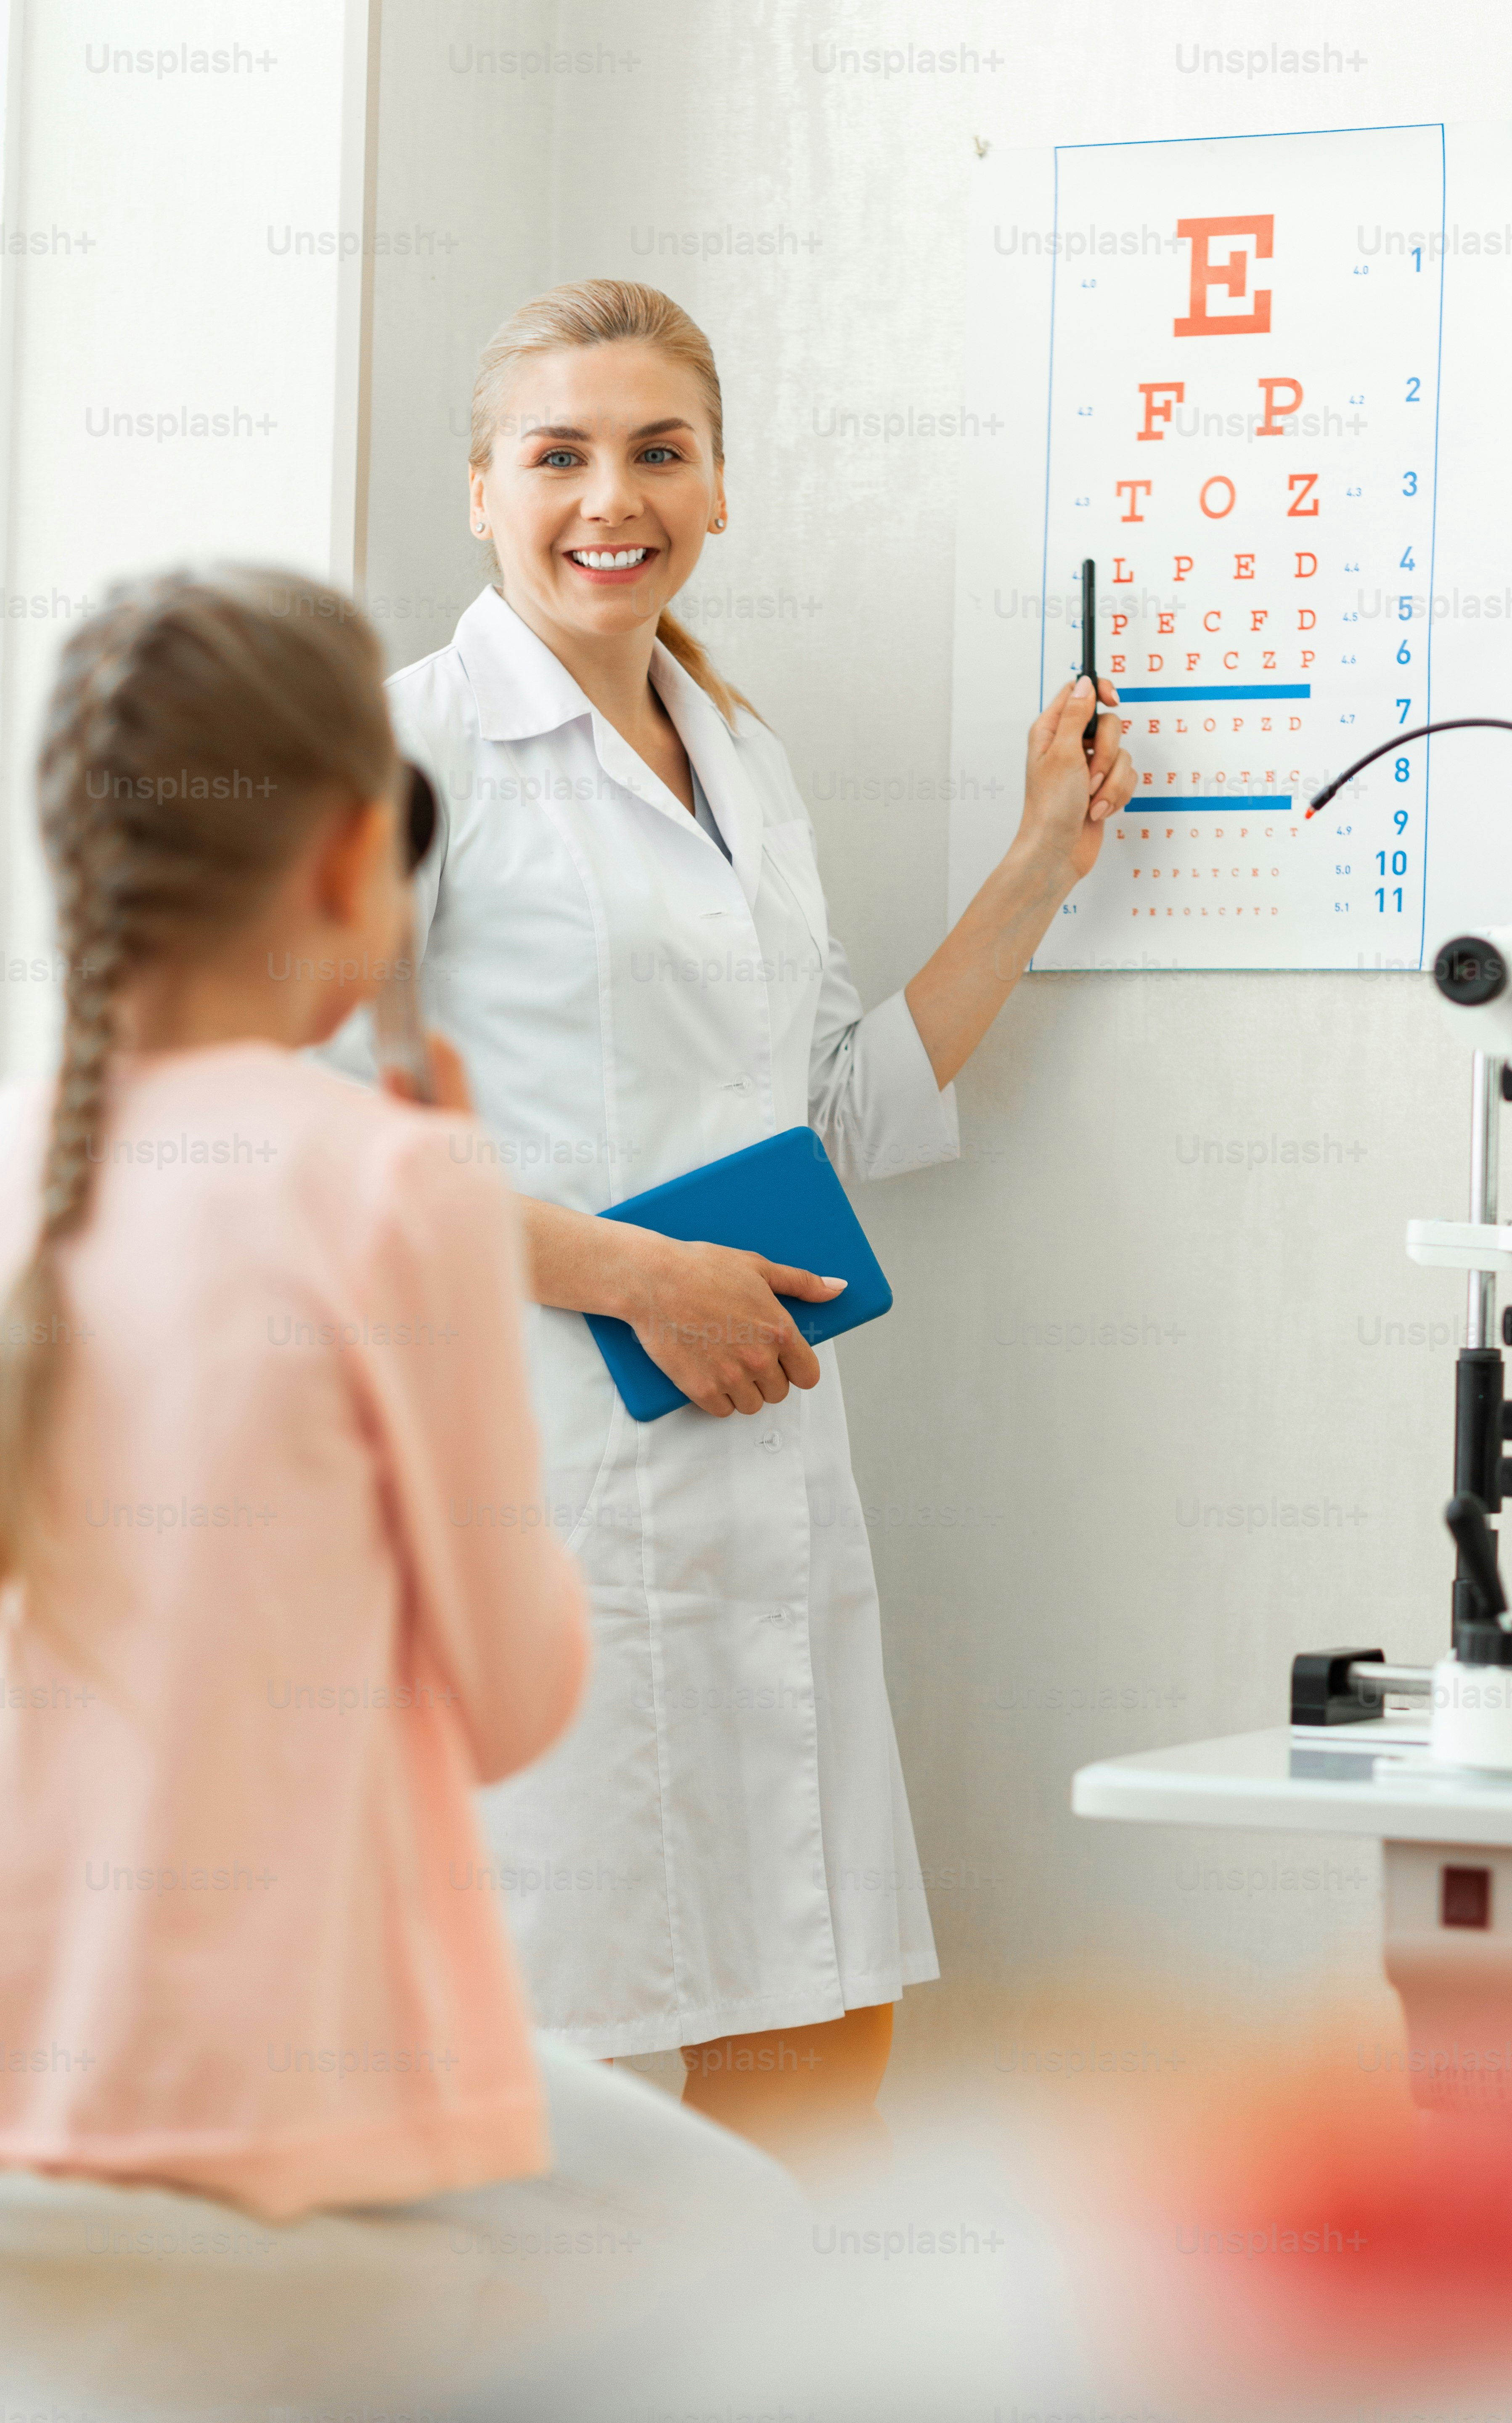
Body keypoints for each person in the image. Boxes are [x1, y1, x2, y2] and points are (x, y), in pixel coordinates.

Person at [0, 568, 797, 2414]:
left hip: (31, 2078)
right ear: (362, 853)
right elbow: (513, 1704)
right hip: (299, 2086)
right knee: (743, 2240)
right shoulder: (390, 1183)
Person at [364, 279, 1136, 2163]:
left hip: (766, 1478)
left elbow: (838, 1111)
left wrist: (1039, 864)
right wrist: (642, 1278)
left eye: (659, 451)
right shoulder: (401, 754)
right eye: (558, 454)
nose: (608, 498)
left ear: (718, 488)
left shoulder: (743, 757)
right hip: (535, 1484)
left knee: (819, 2050)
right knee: (543, 2091)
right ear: (481, 489)